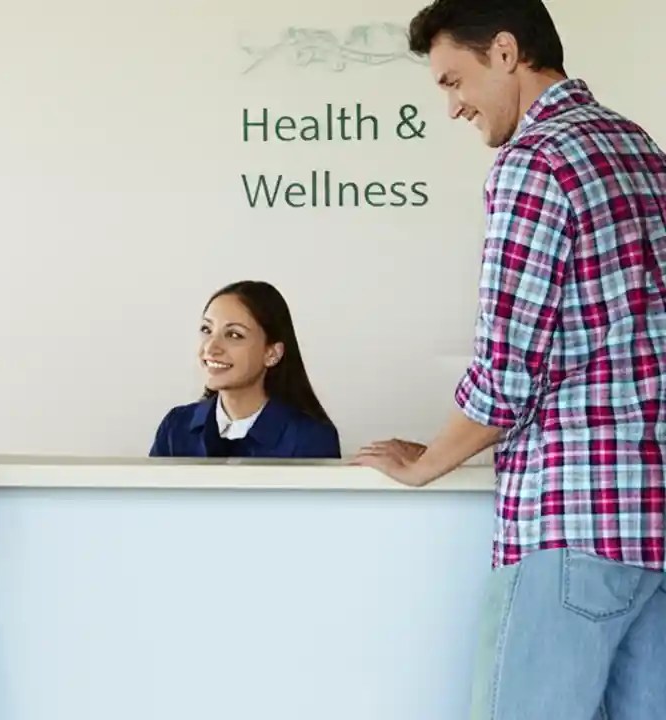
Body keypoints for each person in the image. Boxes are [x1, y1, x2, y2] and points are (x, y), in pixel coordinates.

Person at [355, 2, 666, 718]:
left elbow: (507, 372)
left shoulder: (535, 161)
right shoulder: (640, 149)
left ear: (503, 51)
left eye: (452, 80)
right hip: (650, 529)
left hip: (571, 524)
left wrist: (428, 459)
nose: (453, 107)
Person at [150, 281, 340, 459]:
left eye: (234, 335)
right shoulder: (176, 426)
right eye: (207, 330)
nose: (211, 348)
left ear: (272, 353)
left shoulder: (310, 438)